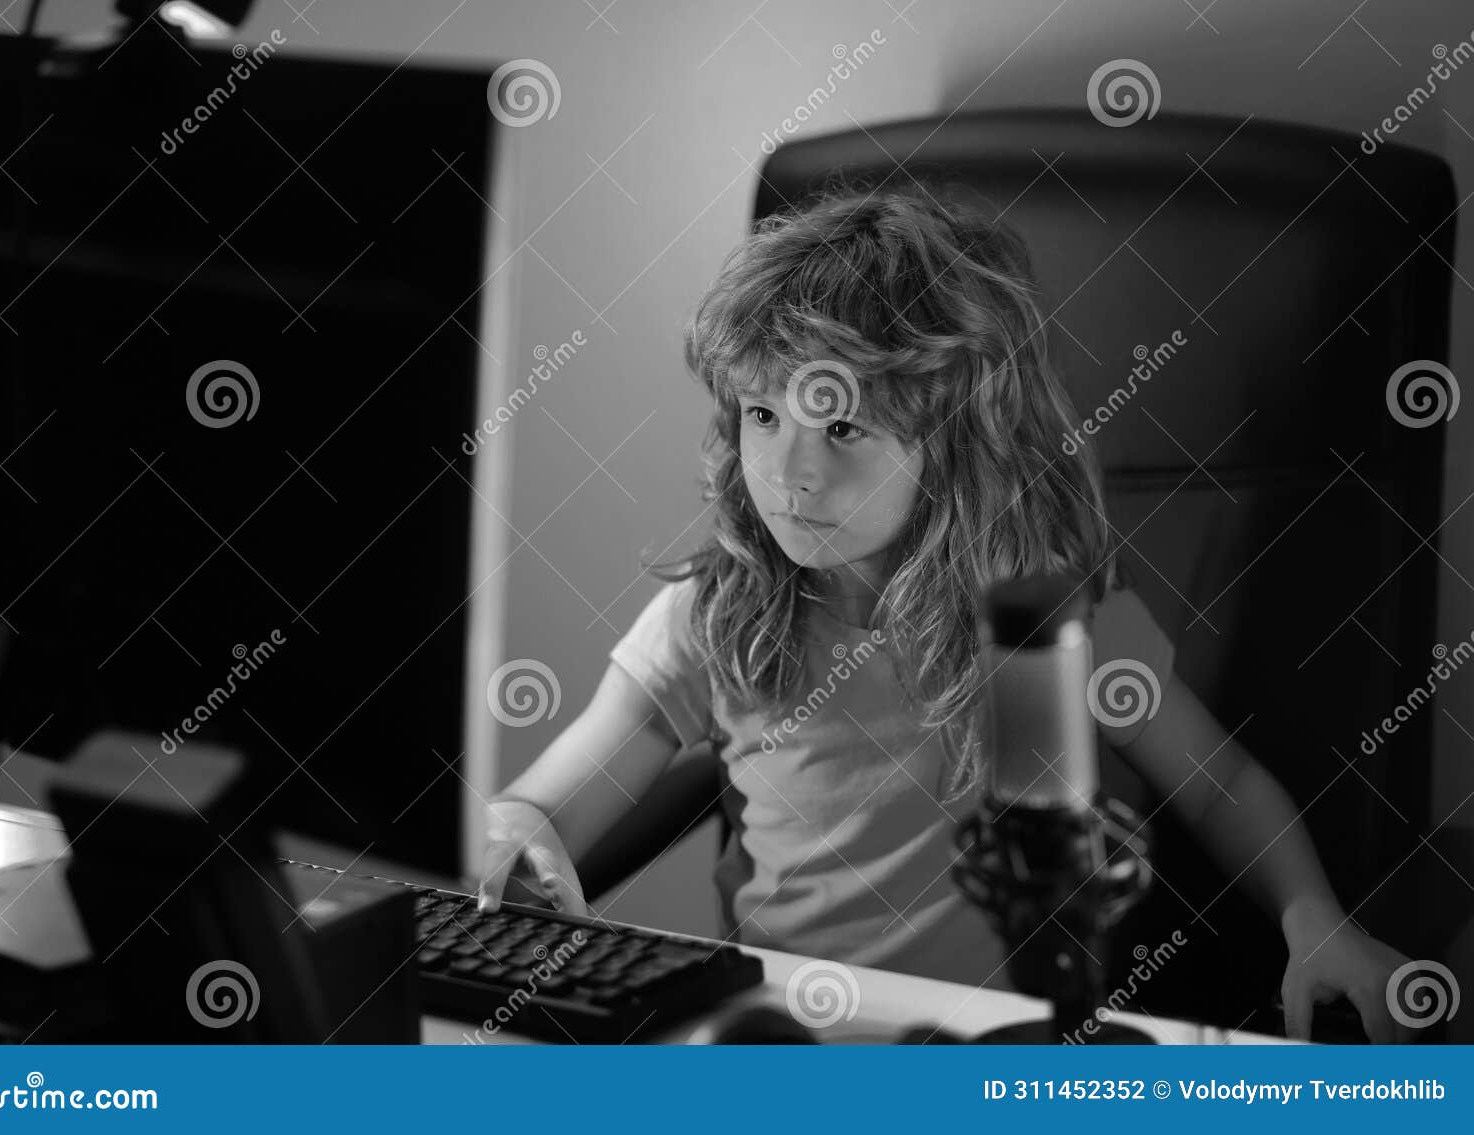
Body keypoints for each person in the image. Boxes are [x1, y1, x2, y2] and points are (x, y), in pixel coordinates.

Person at [476, 184, 1417, 1042]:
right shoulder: (716, 611)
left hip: (989, 1044)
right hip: (788, 1038)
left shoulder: (1044, 627)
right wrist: (514, 833)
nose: (791, 472)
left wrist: (1313, 917)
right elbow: (537, 804)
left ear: (952, 445)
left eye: (843, 428)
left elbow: (1219, 784)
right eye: (763, 416)